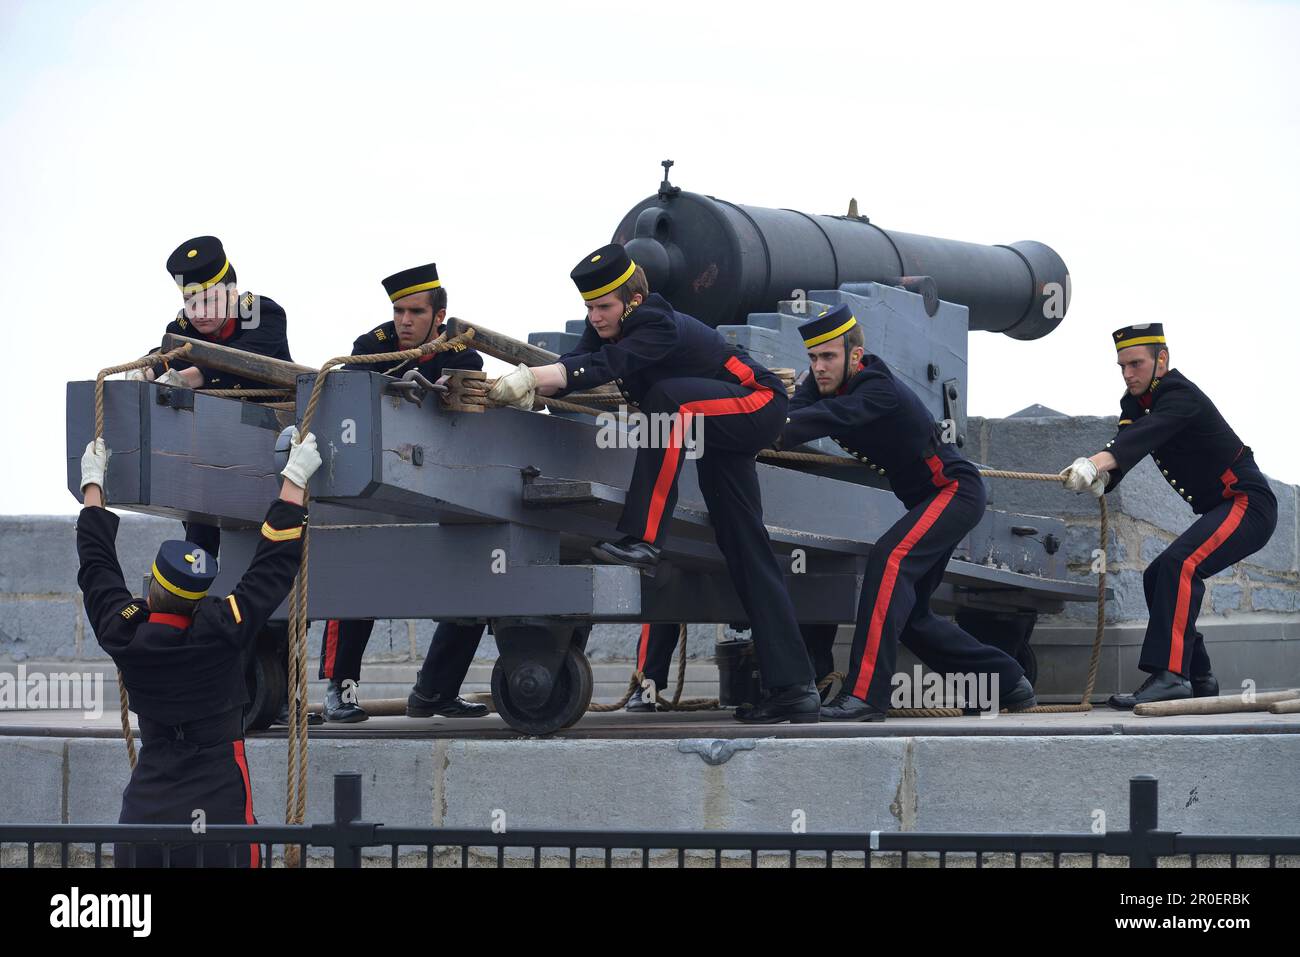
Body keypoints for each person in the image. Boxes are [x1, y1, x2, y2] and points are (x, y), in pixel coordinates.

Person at [487, 243, 819, 724]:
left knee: (671, 401)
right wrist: (526, 388)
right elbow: (577, 368)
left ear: (633, 301)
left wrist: (536, 376)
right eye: (589, 308)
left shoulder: (655, 324)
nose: (595, 317)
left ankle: (644, 539)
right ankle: (795, 688)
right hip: (716, 427)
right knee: (746, 548)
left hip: (757, 404)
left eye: (604, 307)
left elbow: (606, 367)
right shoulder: (609, 330)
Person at [776, 305, 1036, 721]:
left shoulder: (877, 388)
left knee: (889, 560)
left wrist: (760, 424)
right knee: (911, 615)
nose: (819, 367)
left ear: (855, 356)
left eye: (829, 357)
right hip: (927, 499)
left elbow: (827, 418)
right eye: (813, 358)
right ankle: (1006, 681)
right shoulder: (824, 386)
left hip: (954, 490)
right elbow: (793, 417)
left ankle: (865, 697)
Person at [76, 427, 321, 867]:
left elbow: (97, 567)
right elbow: (272, 569)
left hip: (147, 815)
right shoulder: (219, 630)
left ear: (151, 591)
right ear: (197, 601)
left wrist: (93, 486)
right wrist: (295, 478)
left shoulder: (126, 632)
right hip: (218, 805)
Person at [1060, 323, 1277, 708]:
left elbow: (1144, 436)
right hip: (1226, 506)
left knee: (1180, 565)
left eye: (1136, 364)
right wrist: (1102, 479)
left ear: (1162, 360)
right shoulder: (1135, 403)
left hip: (1247, 502)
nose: (1129, 374)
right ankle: (1198, 676)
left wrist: (1093, 463)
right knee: (1158, 574)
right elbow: (1127, 448)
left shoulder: (1179, 395)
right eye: (1122, 366)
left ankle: (1172, 676)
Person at [317, 263, 488, 722]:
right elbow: (348, 391)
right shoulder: (371, 349)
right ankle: (342, 689)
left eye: (415, 311)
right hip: (377, 486)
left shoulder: (462, 351)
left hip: (440, 483)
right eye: (398, 311)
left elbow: (466, 402)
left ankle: (437, 689)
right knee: (358, 583)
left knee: (478, 582)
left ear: (440, 315)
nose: (404, 321)